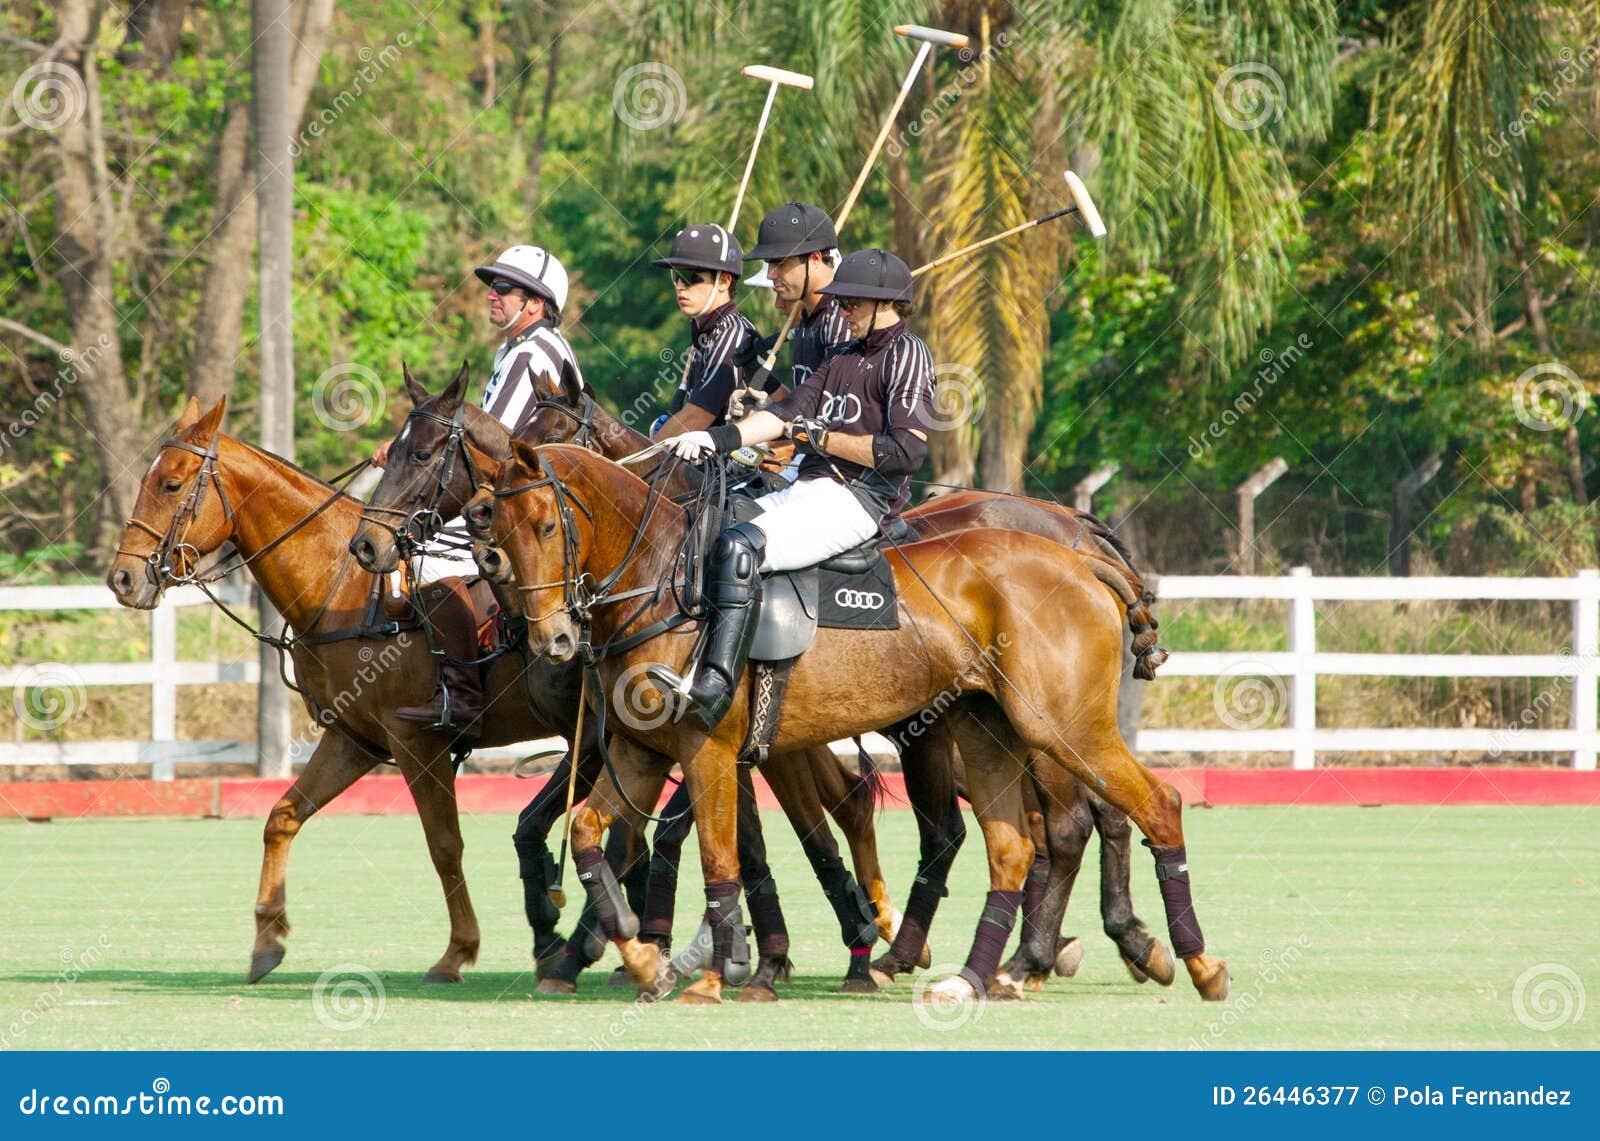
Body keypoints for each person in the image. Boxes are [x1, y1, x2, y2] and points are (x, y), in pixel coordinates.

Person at [655, 249, 935, 729]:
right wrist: (710, 437)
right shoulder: (843, 357)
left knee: (741, 547)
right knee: (709, 523)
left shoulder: (907, 353)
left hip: (861, 500)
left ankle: (715, 685)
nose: (842, 312)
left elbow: (906, 451)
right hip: (809, 487)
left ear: (882, 303)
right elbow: (784, 414)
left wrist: (826, 440)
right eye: (841, 303)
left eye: (851, 304)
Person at [376, 244, 582, 739]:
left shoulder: (534, 352)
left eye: (505, 288)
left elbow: (496, 446)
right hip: (522, 494)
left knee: (427, 560)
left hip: (529, 503)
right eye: (494, 285)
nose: (492, 293)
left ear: (535, 303)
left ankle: (461, 694)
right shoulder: (516, 348)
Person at [650, 223, 755, 439]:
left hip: (741, 464)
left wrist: (646, 454)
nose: (680, 286)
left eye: (691, 276)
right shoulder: (704, 330)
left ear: (724, 281)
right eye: (676, 276)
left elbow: (698, 416)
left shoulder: (733, 333)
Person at [737, 202, 851, 392]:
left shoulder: (842, 317)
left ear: (814, 259)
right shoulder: (808, 319)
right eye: (769, 264)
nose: (770, 275)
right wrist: (760, 377)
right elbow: (804, 409)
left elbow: (827, 413)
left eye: (780, 263)